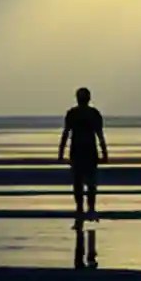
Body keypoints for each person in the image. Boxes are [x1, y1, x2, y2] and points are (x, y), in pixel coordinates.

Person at [58, 87, 108, 221]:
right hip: (88, 151)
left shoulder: (73, 113)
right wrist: (104, 153)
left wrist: (61, 152)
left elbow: (66, 133)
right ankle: (90, 208)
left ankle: (81, 208)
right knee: (90, 182)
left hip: (78, 151)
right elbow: (100, 134)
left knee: (79, 182)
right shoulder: (93, 113)